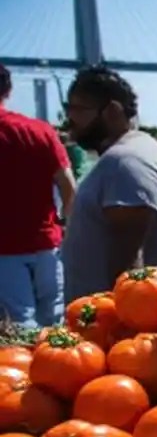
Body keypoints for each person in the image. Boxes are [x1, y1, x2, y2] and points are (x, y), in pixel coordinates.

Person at [61, 67, 157, 300]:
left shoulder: (126, 162)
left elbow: (129, 263)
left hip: (127, 325)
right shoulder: (132, 153)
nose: (69, 119)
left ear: (112, 111)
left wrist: (118, 326)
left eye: (77, 109)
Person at [0, 62, 77, 326]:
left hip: (4, 250)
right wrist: (65, 225)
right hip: (47, 243)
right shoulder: (41, 130)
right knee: (53, 321)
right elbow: (68, 184)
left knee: (19, 325)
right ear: (8, 91)